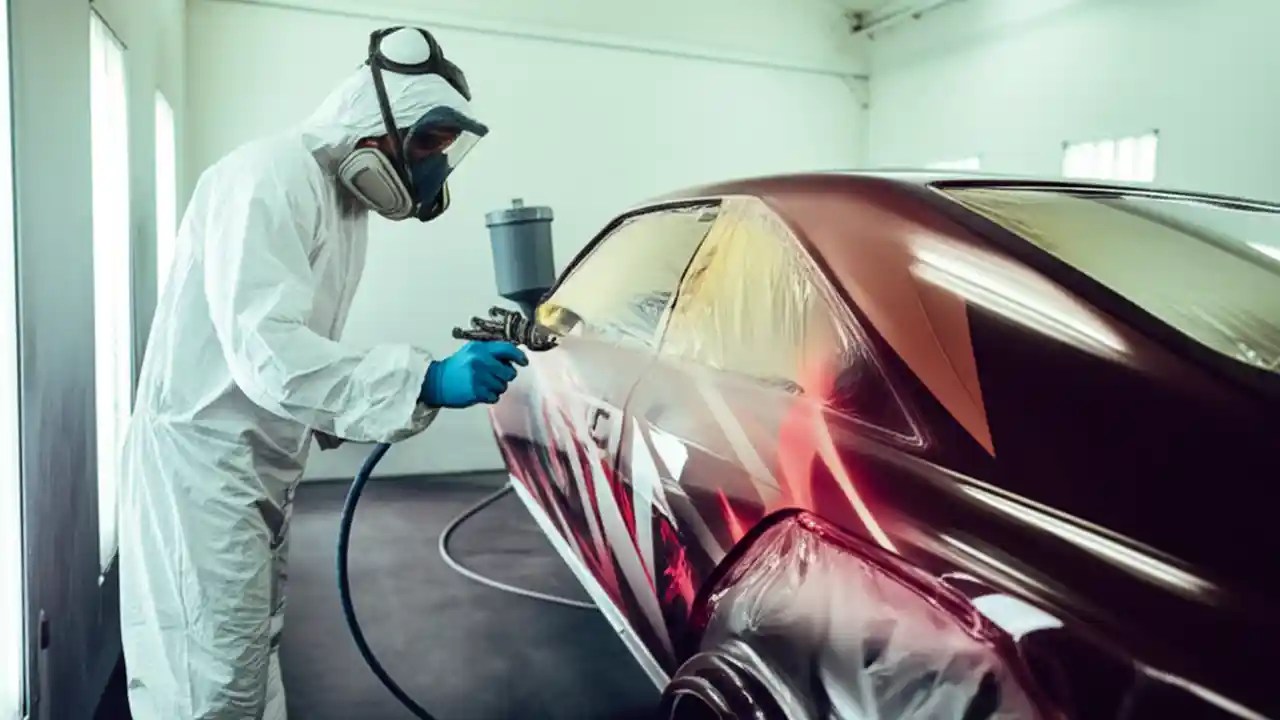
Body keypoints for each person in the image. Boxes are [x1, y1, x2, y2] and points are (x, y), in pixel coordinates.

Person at [117, 26, 524, 720]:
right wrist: (424, 380)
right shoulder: (268, 178)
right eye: (427, 145)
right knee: (209, 688)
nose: (433, 168)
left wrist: (390, 394)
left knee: (247, 666)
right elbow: (270, 355)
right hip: (203, 476)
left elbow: (298, 354)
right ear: (376, 126)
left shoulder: (341, 205)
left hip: (256, 470)